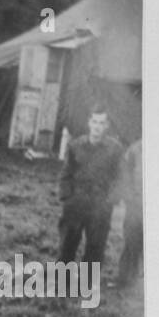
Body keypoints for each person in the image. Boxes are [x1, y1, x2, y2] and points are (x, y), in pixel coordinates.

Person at [57, 108, 124, 269]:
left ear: (107, 125)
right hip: (76, 202)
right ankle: (62, 281)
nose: (97, 126)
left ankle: (86, 284)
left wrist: (110, 201)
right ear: (89, 122)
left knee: (95, 246)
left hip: (100, 205)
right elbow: (66, 173)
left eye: (101, 123)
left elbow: (120, 178)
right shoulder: (75, 145)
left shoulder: (114, 149)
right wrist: (68, 197)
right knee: (68, 243)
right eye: (94, 122)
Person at [116, 138, 143, 285]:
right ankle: (125, 277)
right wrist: (129, 197)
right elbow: (124, 175)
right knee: (131, 239)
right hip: (136, 204)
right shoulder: (135, 149)